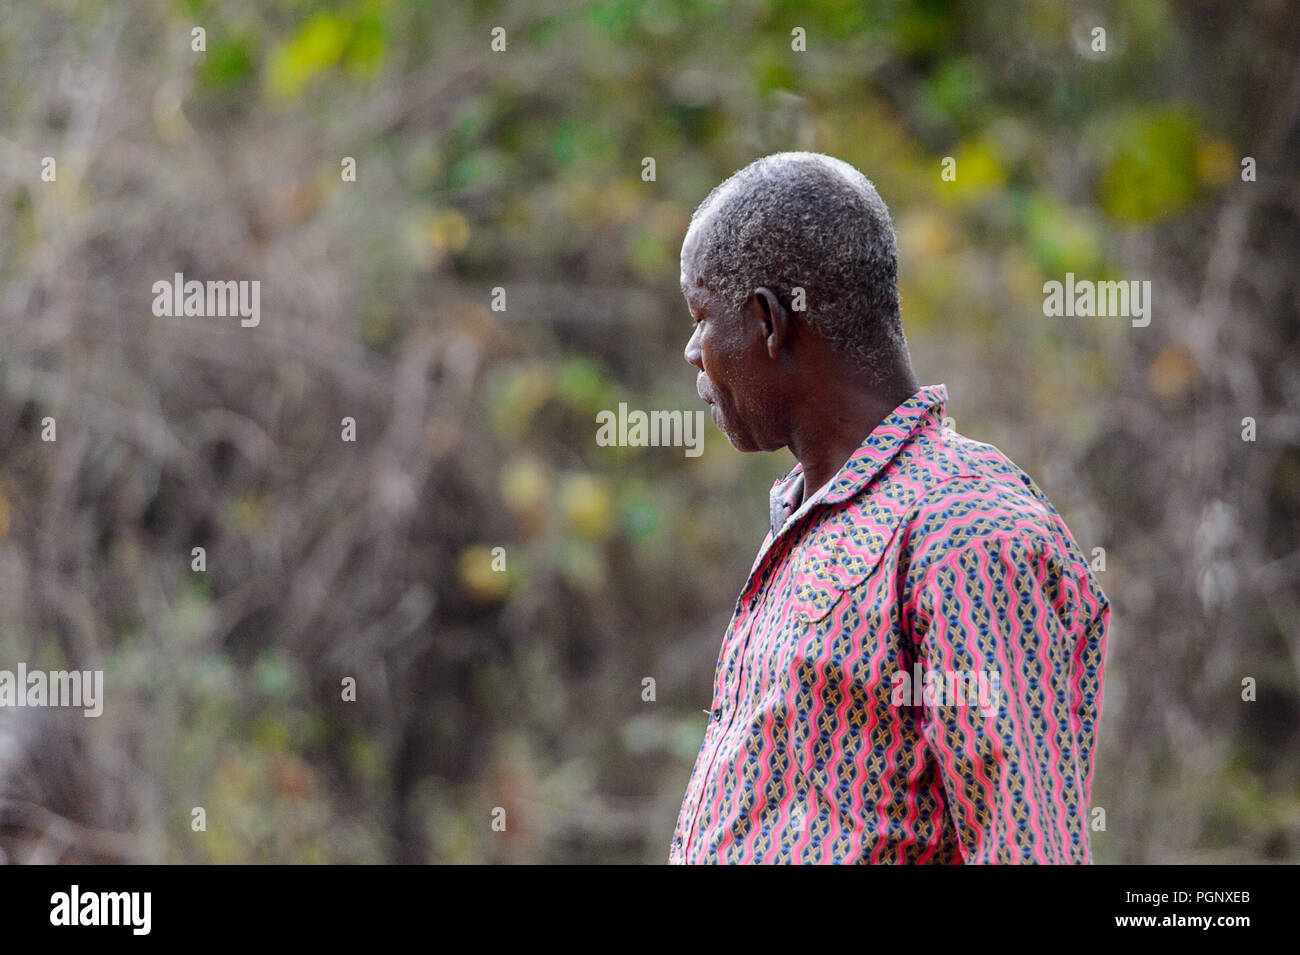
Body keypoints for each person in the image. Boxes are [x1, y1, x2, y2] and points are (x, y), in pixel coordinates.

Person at [671, 152, 1110, 864]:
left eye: (700, 317)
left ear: (769, 322)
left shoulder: (968, 528)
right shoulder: (812, 517)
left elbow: (1027, 847)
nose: (693, 351)